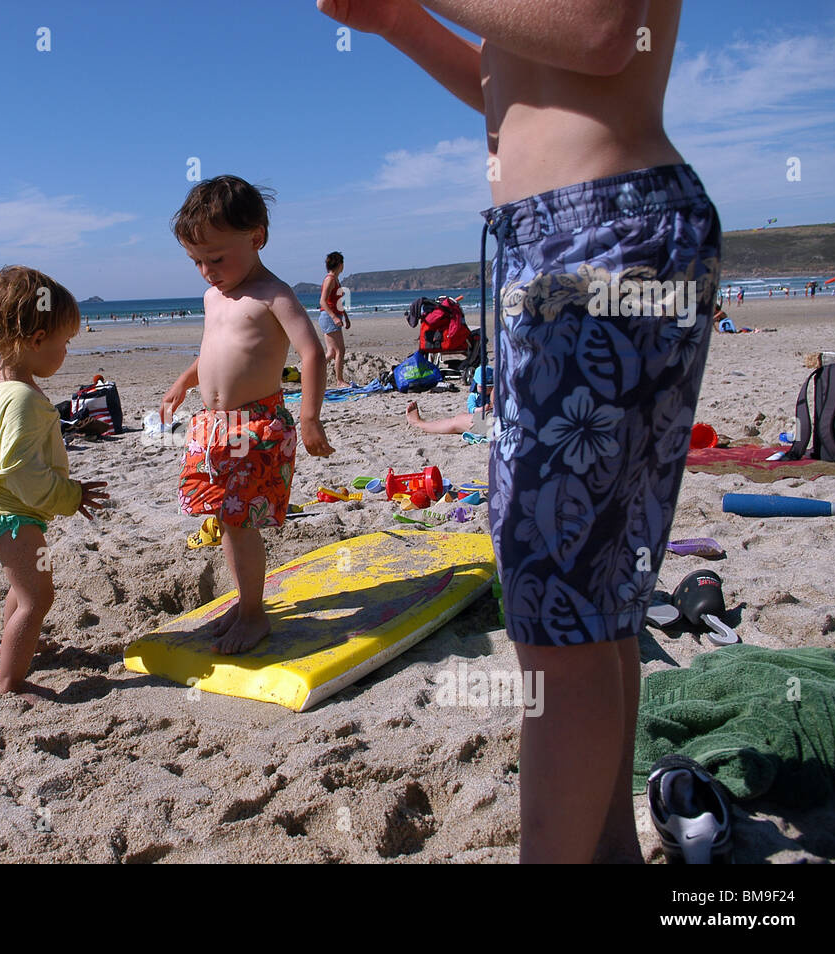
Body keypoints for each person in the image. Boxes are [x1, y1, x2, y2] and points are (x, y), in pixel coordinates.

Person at [320, 0, 720, 863]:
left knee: (558, 611)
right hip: (583, 237)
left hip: (596, 239)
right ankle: (609, 849)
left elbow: (598, 32)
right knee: (596, 599)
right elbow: (513, 79)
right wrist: (389, 19)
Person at [162, 175, 335, 654]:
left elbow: (311, 353)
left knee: (241, 524)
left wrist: (310, 417)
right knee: (224, 519)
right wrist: (183, 381)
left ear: (256, 236)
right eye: (197, 261)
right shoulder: (212, 297)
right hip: (211, 426)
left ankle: (255, 615)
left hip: (256, 426)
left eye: (216, 258)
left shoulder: (272, 294)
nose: (207, 271)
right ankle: (246, 601)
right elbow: (213, 352)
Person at [0, 266, 109, 698]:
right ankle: (8, 683)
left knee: (24, 587)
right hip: (14, 519)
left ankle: (20, 643)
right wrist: (70, 495)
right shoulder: (22, 399)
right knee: (38, 598)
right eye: (64, 343)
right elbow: (21, 470)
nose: (66, 352)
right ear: (36, 340)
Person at [406, 364, 492, 436]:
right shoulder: (475, 396)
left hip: (497, 422)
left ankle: (419, 423)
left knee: (459, 420)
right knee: (462, 418)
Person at [318, 251, 351, 386]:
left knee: (331, 352)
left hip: (334, 316)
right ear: (340, 264)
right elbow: (323, 301)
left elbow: (338, 302)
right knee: (339, 350)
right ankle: (339, 380)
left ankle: (313, 372)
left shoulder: (336, 279)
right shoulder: (330, 279)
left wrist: (346, 317)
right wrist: (334, 317)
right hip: (329, 317)